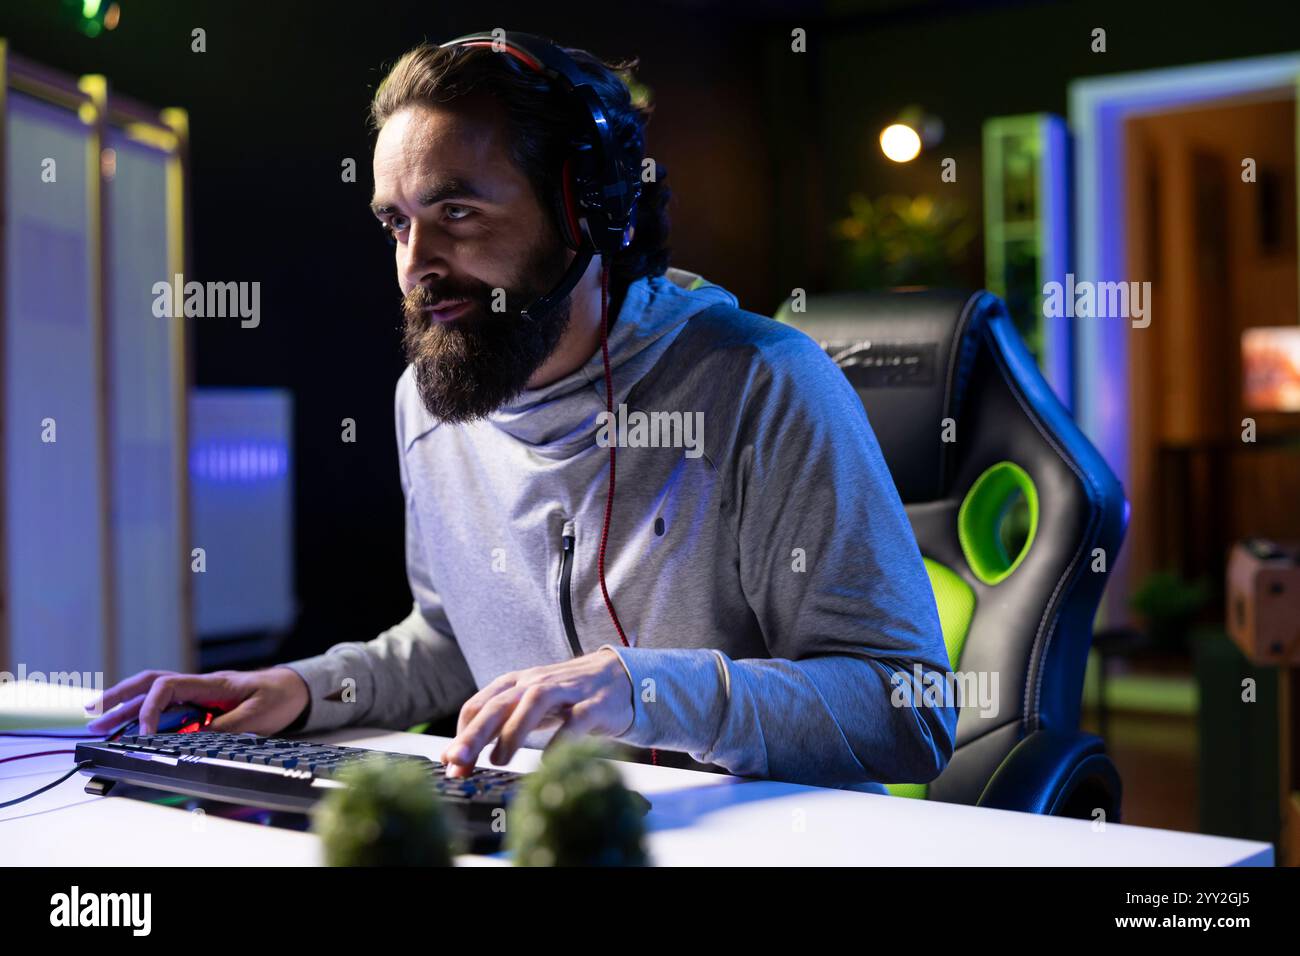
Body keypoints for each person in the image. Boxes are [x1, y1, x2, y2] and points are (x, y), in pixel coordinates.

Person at [89, 35, 956, 790]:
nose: (415, 266)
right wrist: (308, 688)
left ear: (589, 213)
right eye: (397, 224)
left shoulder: (762, 385)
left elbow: (907, 710)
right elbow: (452, 643)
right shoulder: (428, 402)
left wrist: (646, 688)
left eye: (457, 213)